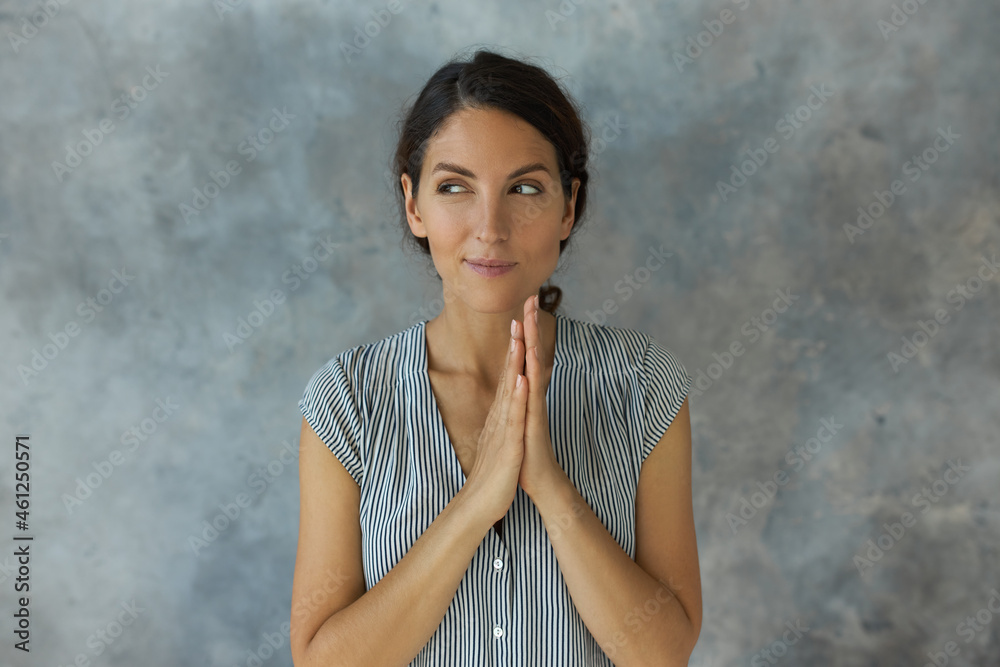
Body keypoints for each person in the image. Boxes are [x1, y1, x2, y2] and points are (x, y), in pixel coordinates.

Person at [290, 47, 701, 667]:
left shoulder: (643, 386)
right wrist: (477, 502)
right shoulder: (347, 400)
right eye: (454, 186)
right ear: (413, 204)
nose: (490, 226)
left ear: (568, 206)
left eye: (525, 187)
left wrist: (551, 489)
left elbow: (663, 654)